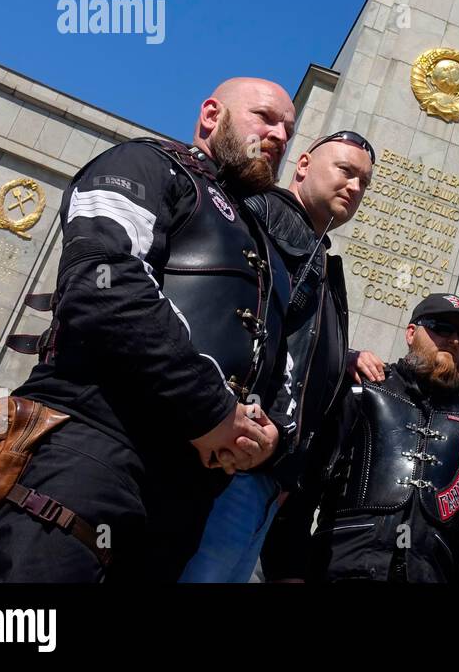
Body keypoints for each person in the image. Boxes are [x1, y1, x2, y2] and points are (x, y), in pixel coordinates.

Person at [0, 78, 296, 582]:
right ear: (211, 116)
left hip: (183, 497)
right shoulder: (145, 164)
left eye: (289, 130)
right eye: (266, 118)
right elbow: (103, 281)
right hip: (93, 448)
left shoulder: (258, 237)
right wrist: (211, 408)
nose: (279, 135)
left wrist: (260, 438)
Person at [182, 130, 375, 582]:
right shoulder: (258, 213)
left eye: (363, 182)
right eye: (345, 171)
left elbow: (286, 335)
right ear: (303, 164)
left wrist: (338, 357)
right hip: (225, 461)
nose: (354, 187)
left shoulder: (320, 256)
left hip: (266, 477)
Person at [307, 294, 459, 582]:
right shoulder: (363, 390)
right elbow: (307, 482)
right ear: (411, 333)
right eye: (441, 328)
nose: (454, 340)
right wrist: (290, 568)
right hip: (344, 567)